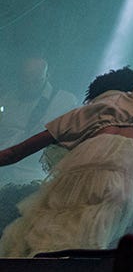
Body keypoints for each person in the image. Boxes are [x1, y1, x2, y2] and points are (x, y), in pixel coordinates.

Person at [0, 23, 133, 257]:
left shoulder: (82, 112)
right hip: (127, 166)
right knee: (90, 233)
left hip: (86, 164)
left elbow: (16, 152)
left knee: (54, 227)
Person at [0, 56, 77, 186]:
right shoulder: (6, 99)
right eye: (25, 79)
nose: (29, 85)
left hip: (37, 178)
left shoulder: (65, 101)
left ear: (47, 75)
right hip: (4, 172)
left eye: (36, 80)